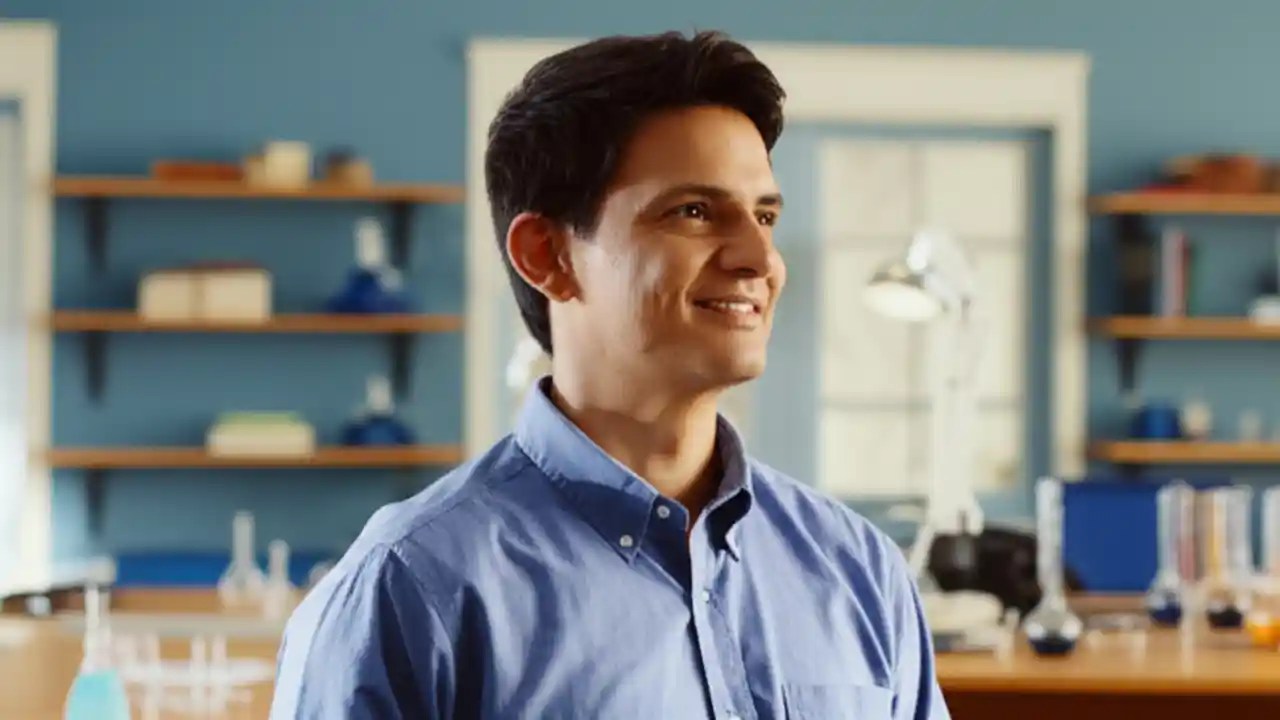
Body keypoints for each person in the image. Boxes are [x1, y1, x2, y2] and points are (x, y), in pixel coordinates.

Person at [270, 29, 950, 720]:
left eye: (766, 215)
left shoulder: (861, 570)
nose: (758, 257)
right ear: (548, 256)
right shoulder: (414, 585)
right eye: (693, 212)